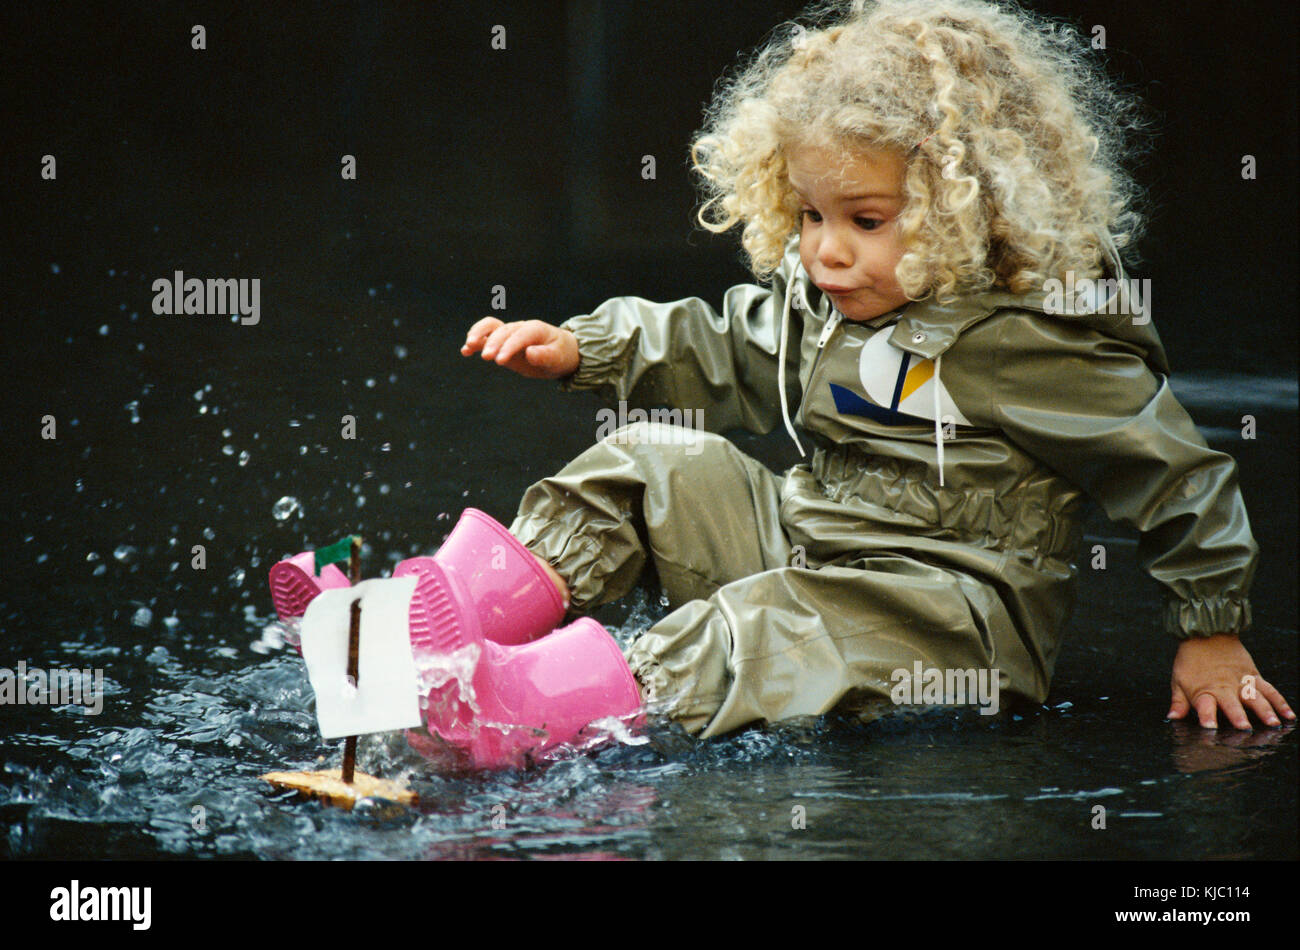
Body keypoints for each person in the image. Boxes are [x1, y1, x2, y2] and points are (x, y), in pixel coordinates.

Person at [276, 0, 1293, 766]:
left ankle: (517, 708)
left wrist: (1210, 629)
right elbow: (721, 344)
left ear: (966, 208)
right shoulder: (827, 304)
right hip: (809, 538)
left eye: (865, 219)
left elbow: (1175, 473)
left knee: (757, 627)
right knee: (650, 461)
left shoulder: (1031, 338)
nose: (827, 253)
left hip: (940, 612)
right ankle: (420, 624)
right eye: (809, 217)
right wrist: (587, 346)